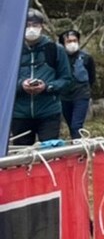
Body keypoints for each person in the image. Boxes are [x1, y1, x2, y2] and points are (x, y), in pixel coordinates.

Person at [11, 9, 71, 147]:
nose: (31, 29)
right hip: (20, 113)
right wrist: (21, 85)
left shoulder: (55, 49)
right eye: (28, 25)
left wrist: (47, 87)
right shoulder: (11, 50)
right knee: (22, 155)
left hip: (48, 112)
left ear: (42, 27)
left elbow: (66, 79)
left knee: (50, 152)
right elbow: (4, 82)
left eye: (35, 25)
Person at [58, 30, 94, 139]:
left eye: (75, 40)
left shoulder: (86, 57)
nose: (72, 43)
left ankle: (80, 148)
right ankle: (75, 143)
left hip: (81, 94)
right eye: (69, 41)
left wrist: (87, 90)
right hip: (64, 96)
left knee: (76, 125)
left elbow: (91, 76)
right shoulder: (59, 58)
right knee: (70, 124)